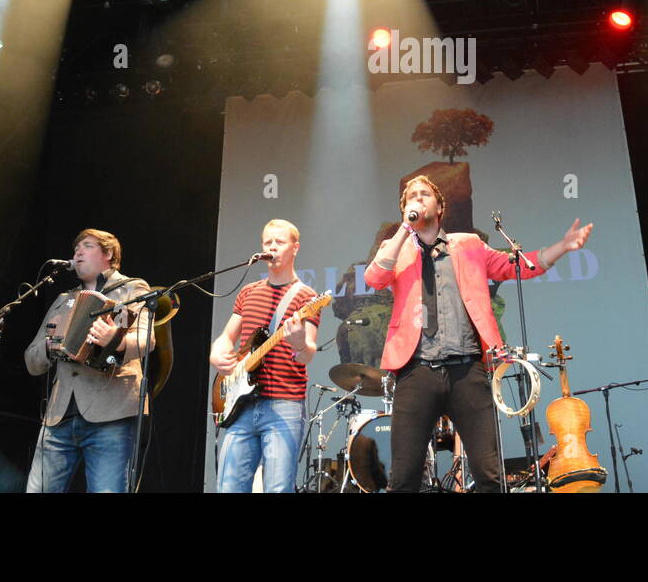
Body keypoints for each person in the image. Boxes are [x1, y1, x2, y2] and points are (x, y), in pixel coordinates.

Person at [365, 174, 594, 492]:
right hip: (416, 371)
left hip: (467, 370)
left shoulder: (469, 245)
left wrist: (563, 247)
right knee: (403, 478)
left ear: (439, 207)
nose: (417, 200)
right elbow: (374, 278)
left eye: (424, 195)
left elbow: (519, 265)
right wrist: (403, 230)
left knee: (488, 474)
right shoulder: (397, 251)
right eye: (410, 197)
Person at [25, 228, 154, 493]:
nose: (77, 253)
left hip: (112, 413)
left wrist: (114, 340)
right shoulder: (64, 300)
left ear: (109, 254)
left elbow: (146, 340)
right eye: (75, 249)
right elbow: (32, 359)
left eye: (87, 246)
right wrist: (51, 346)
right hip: (59, 415)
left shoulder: (132, 288)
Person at [210, 219, 319, 493]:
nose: (272, 247)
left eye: (279, 242)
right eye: (267, 242)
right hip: (241, 404)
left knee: (278, 488)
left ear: (295, 248)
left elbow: (307, 354)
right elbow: (227, 337)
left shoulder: (306, 296)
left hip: (284, 404)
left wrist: (297, 343)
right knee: (229, 487)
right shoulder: (248, 292)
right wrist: (217, 351)